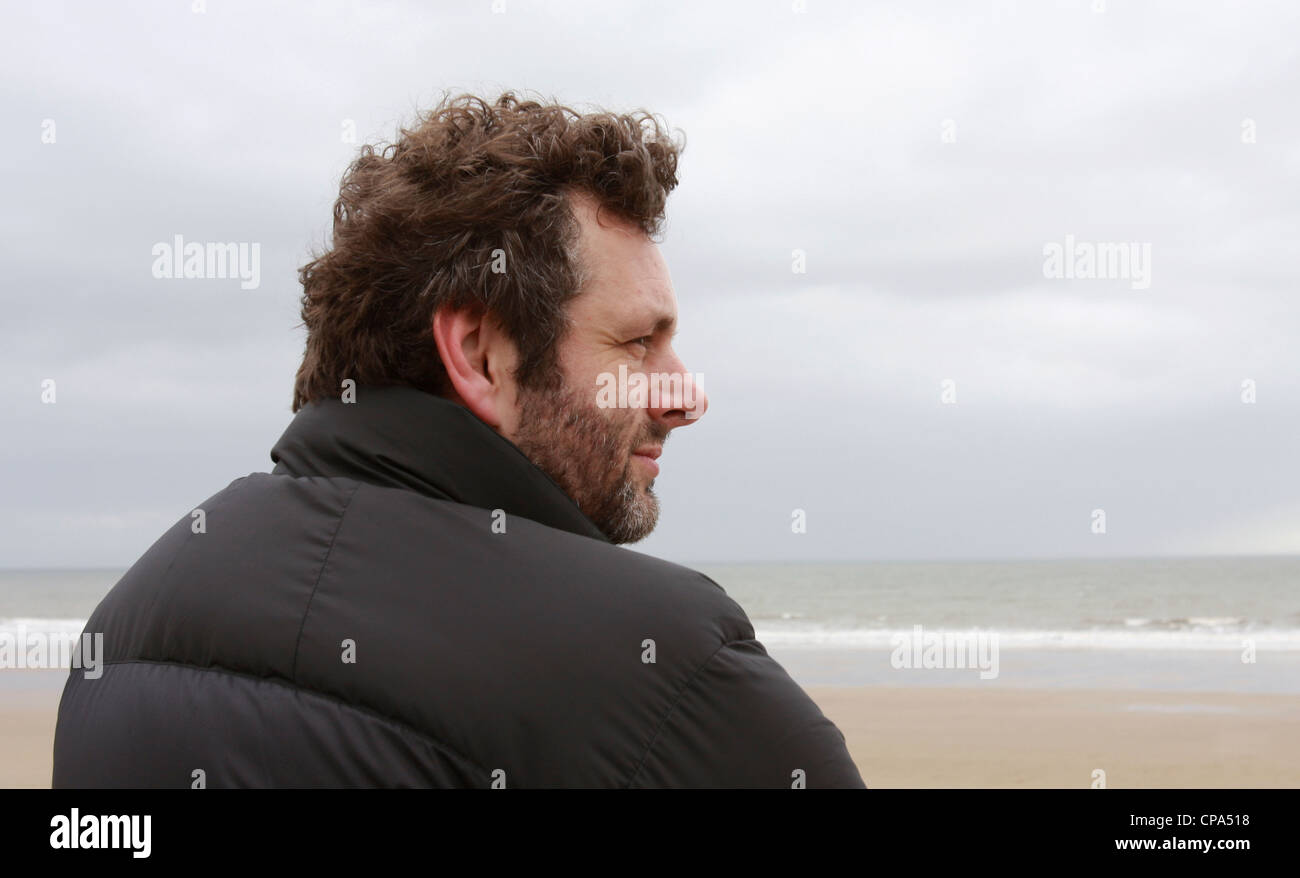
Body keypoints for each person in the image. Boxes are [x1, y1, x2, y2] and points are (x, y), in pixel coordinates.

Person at [52, 92, 866, 788]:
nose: (685, 398)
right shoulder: (666, 670)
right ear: (480, 354)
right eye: (637, 344)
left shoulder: (122, 633)